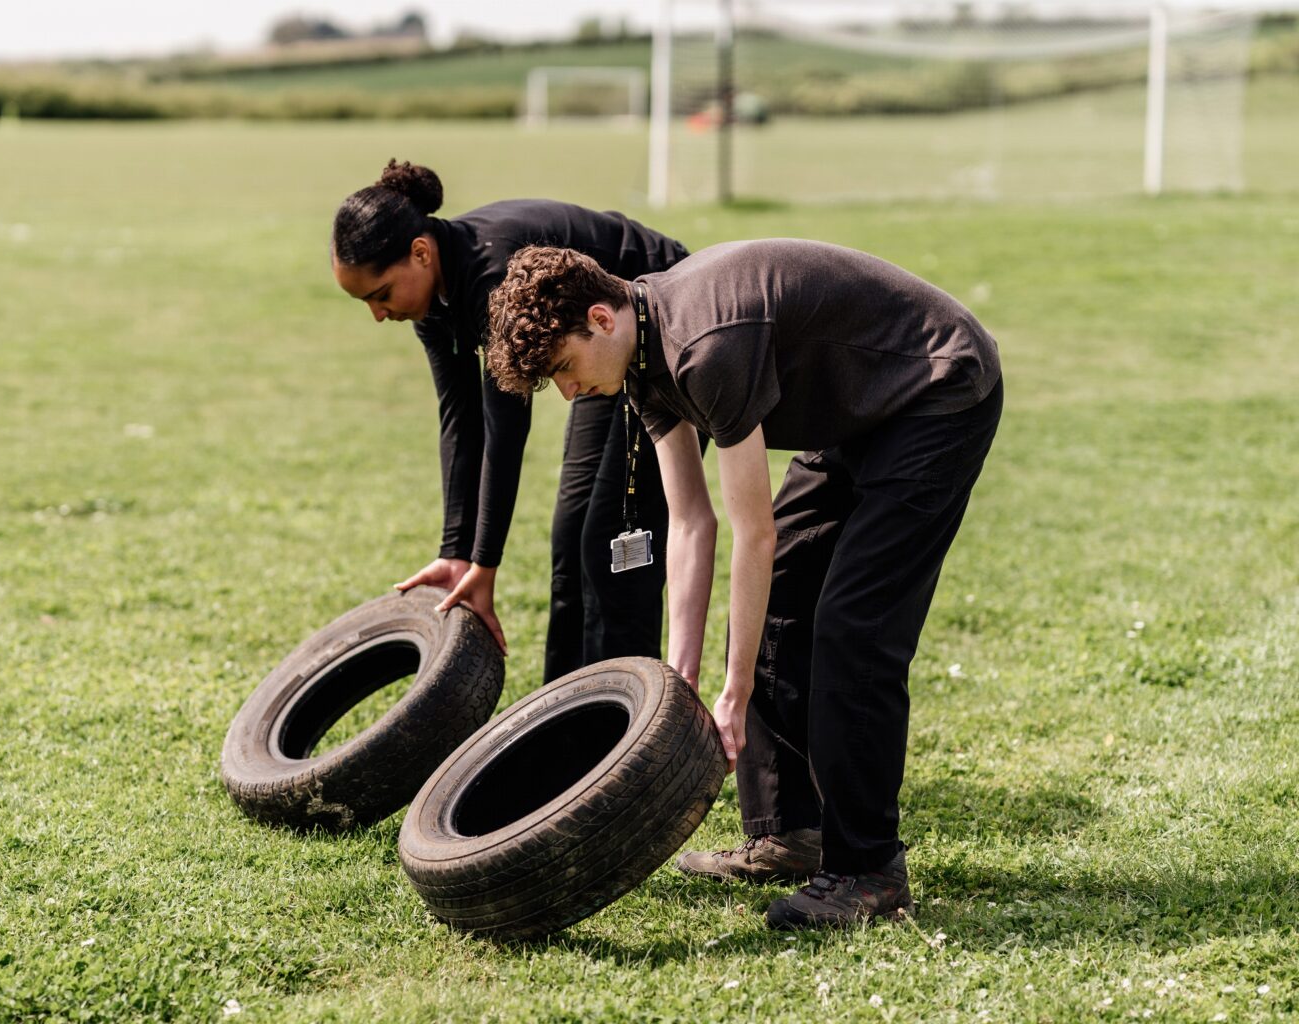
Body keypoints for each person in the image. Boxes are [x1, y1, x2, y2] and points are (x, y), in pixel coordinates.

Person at [485, 239, 1002, 929]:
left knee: (852, 630)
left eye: (565, 368)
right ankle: (790, 834)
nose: (569, 391)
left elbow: (752, 535)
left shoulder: (704, 347)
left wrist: (736, 691)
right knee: (781, 603)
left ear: (601, 320)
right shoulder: (641, 361)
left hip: (937, 390)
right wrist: (681, 681)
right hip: (860, 408)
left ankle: (869, 872)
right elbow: (691, 524)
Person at [330, 160, 690, 680]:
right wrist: (457, 552)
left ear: (420, 253)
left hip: (656, 334)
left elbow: (505, 428)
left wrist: (486, 561)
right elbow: (461, 419)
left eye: (381, 294)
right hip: (591, 351)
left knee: (611, 544)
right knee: (571, 540)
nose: (378, 314)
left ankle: (628, 729)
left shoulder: (492, 274)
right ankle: (564, 722)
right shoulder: (437, 299)